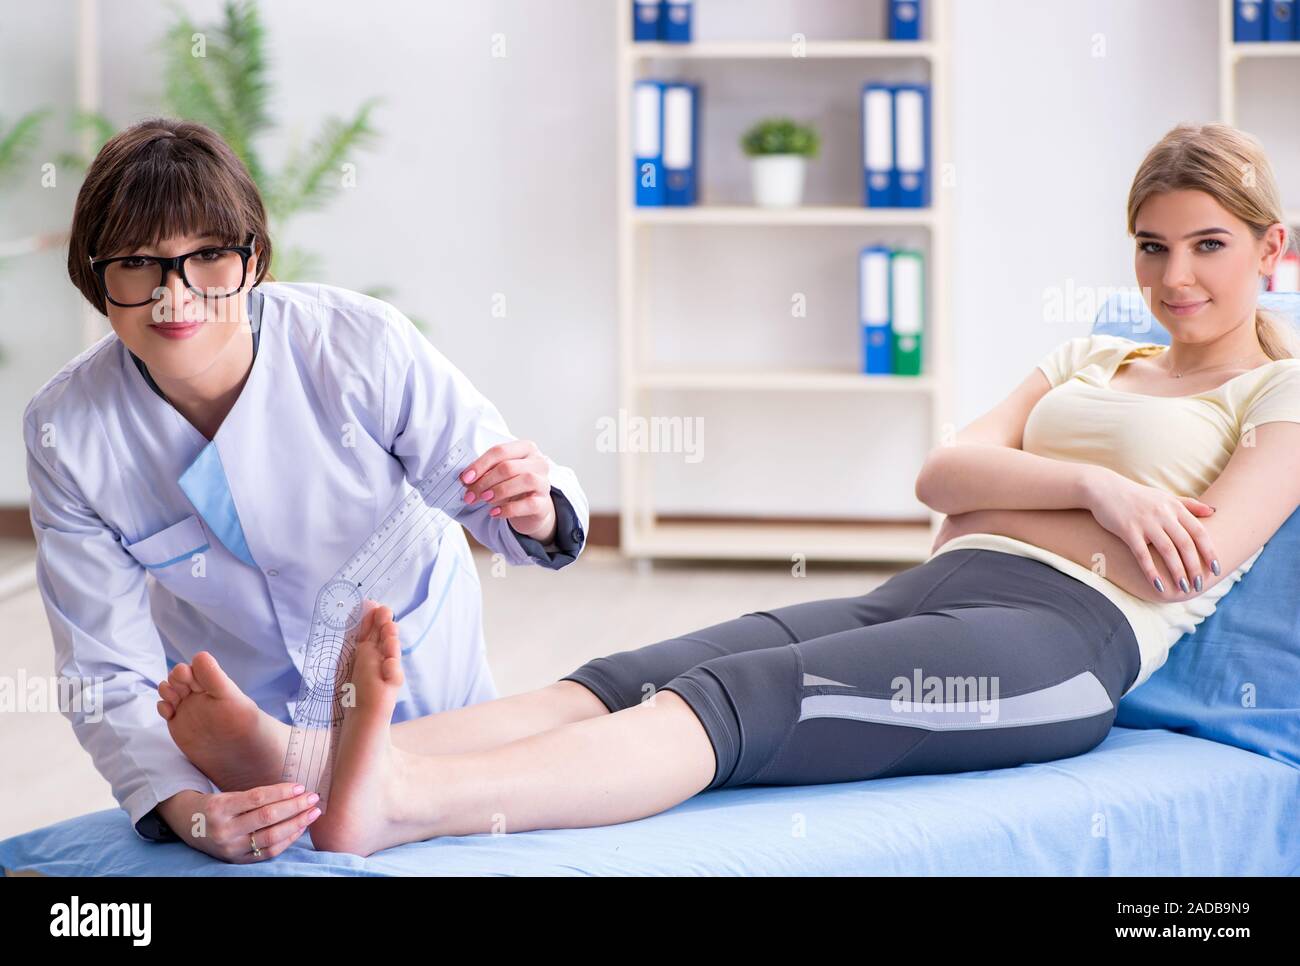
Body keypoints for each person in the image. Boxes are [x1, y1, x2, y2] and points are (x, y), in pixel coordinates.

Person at [160, 121, 1300, 860]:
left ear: (1273, 250)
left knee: (744, 697)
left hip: (1059, 650)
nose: (1173, 277)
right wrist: (1098, 496)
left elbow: (1192, 554)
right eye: (1151, 247)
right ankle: (307, 758)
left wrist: (1003, 506)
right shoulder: (1093, 361)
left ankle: (399, 802)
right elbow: (937, 475)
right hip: (932, 586)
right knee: (634, 670)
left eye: (1206, 245)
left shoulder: (1279, 393)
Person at [23, 116, 589, 863]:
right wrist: (186, 808)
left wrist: (535, 507)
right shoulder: (70, 429)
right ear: (95, 277)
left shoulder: (359, 345)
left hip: (429, 705)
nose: (176, 295)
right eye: (138, 263)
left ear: (253, 259)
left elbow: (500, 492)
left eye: (208, 256)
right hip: (258, 756)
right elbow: (105, 666)